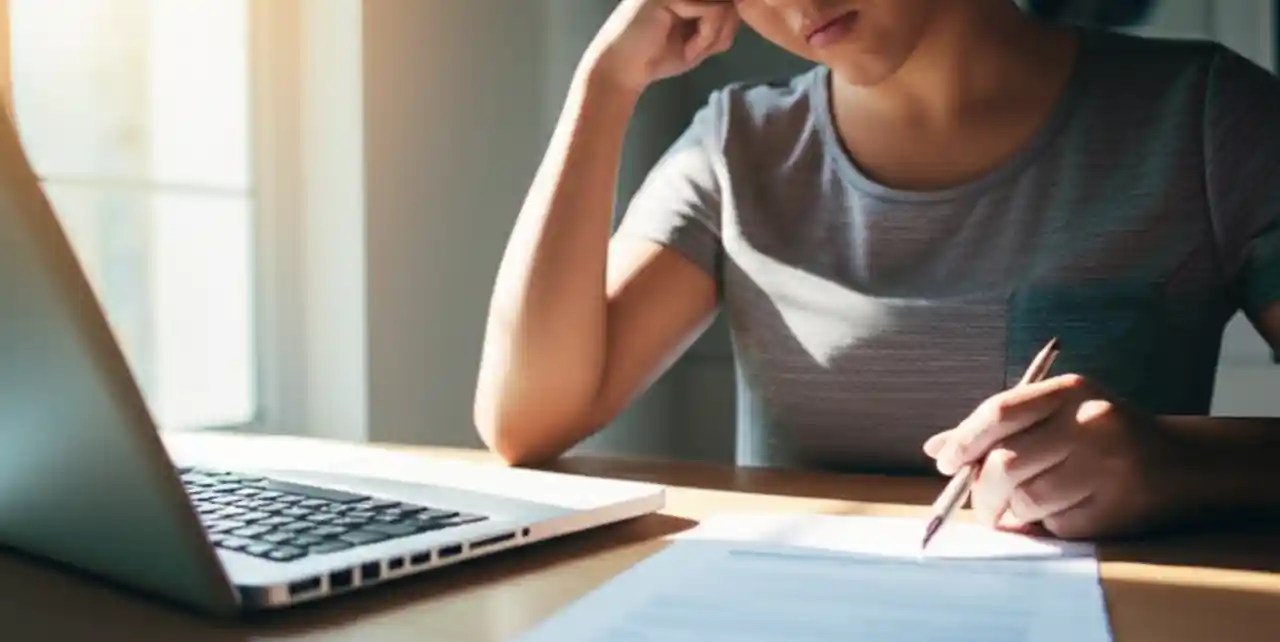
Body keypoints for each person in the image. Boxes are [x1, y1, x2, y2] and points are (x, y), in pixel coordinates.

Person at [474, 0, 1280, 539]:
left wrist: (1175, 463)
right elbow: (524, 419)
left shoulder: (1207, 119)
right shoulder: (737, 152)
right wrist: (607, 81)